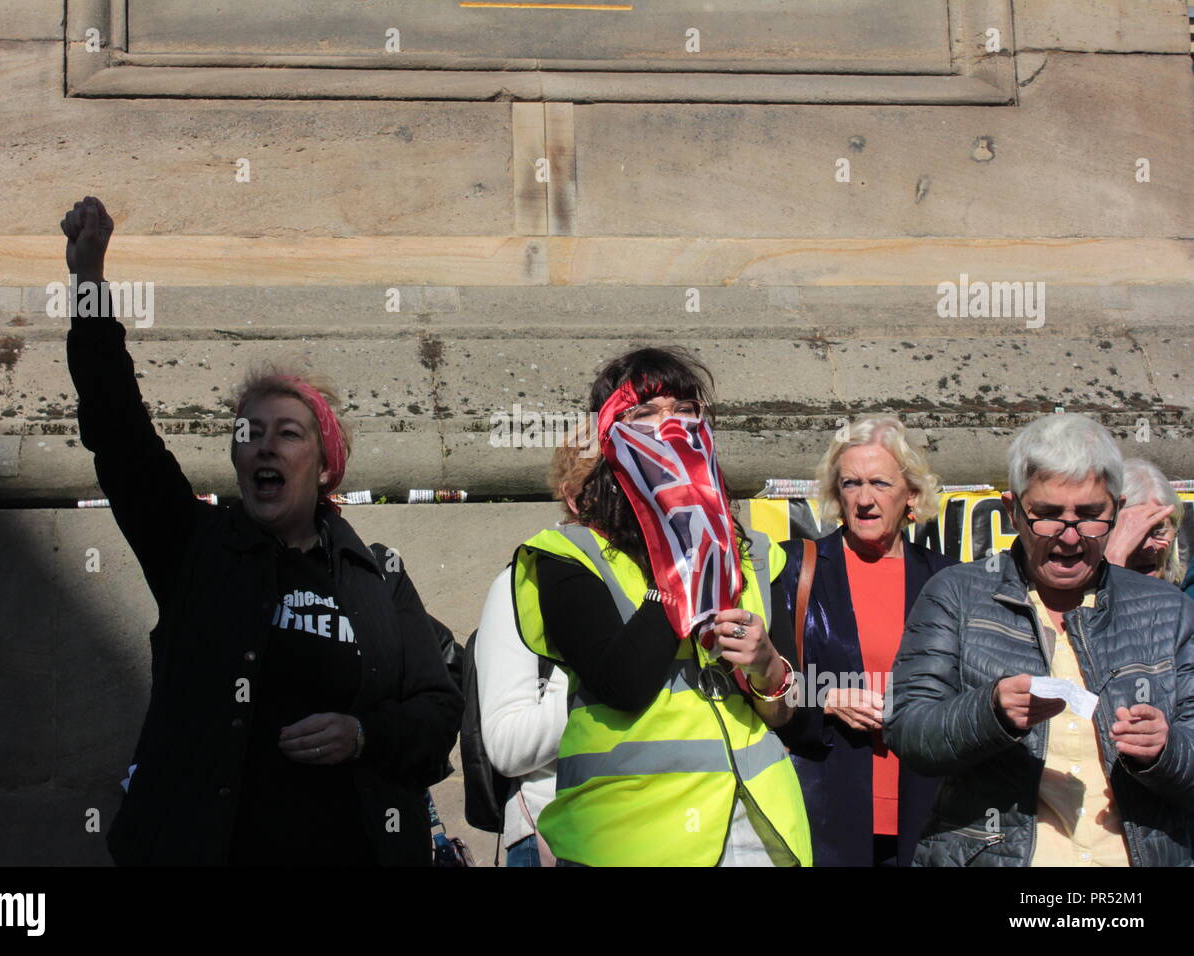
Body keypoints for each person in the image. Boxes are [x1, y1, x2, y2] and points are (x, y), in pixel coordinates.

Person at [61, 196, 461, 865]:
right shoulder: (196, 546)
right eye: (249, 433)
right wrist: (89, 281)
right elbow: (118, 428)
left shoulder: (377, 576)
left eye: (287, 434)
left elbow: (436, 711)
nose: (264, 447)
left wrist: (363, 734)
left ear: (325, 462)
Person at [511, 346, 812, 866]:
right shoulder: (568, 555)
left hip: (759, 830)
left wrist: (766, 665)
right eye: (645, 413)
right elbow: (621, 684)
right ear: (610, 437)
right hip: (633, 838)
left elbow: (790, 716)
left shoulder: (750, 555)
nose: (669, 424)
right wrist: (675, 564)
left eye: (685, 409)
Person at [885, 413, 1194, 866]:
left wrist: (1165, 750)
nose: (1069, 537)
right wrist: (988, 712)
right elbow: (908, 728)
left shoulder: (1166, 609)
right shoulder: (958, 594)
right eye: (1047, 516)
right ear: (1012, 510)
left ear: (1117, 507)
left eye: (1090, 517)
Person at [776, 416, 955, 867]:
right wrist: (825, 698)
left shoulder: (948, 579)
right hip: (826, 806)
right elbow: (756, 679)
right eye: (852, 483)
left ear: (911, 494)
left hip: (929, 809)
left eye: (880, 482)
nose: (866, 499)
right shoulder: (796, 568)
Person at [475, 439, 591, 866]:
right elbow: (508, 747)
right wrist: (599, 686)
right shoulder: (524, 584)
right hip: (554, 838)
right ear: (577, 499)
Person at [1105, 458, 1186, 587]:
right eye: (1134, 531)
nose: (1147, 548)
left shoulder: (1184, 601)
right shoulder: (1079, 598)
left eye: (1159, 532)